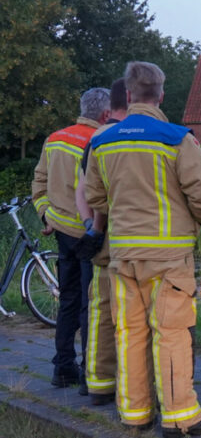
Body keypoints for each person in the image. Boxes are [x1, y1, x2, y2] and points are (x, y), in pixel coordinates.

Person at [85, 61, 201, 438]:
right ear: (161, 95)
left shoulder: (101, 141)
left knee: (129, 331)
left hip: (124, 254)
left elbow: (95, 196)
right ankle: (181, 415)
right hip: (169, 256)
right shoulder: (176, 138)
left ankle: (134, 412)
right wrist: (191, 221)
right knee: (172, 331)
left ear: (128, 96)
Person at [33, 87, 110, 389]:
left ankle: (63, 367)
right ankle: (92, 372)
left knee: (67, 301)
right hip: (90, 233)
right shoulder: (98, 141)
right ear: (105, 114)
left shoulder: (54, 139)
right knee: (91, 304)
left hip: (62, 232)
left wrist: (46, 217)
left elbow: (38, 183)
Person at [74, 78, 127, 405]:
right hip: (130, 244)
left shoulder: (94, 140)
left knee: (100, 314)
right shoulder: (138, 136)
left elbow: (83, 191)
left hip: (102, 243)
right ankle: (136, 387)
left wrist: (91, 227)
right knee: (135, 319)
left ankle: (97, 384)